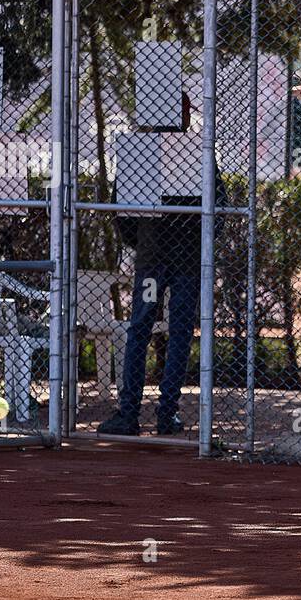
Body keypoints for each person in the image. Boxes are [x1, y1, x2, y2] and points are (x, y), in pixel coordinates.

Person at [98, 96, 224, 436]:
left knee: (142, 327)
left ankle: (131, 413)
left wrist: (141, 241)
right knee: (177, 331)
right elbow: (220, 207)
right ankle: (165, 413)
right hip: (181, 259)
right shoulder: (197, 151)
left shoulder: (142, 152)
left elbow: (121, 211)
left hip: (156, 259)